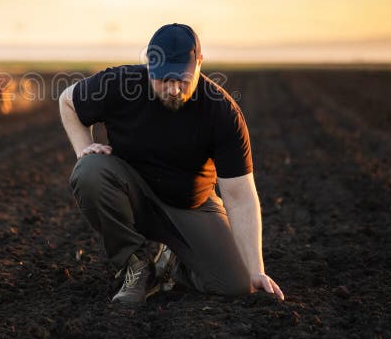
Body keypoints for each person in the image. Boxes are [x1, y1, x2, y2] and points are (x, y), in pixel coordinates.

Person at [59, 23, 284, 305]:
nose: (174, 89)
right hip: (133, 194)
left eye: (182, 79)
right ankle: (136, 266)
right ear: (149, 68)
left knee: (236, 286)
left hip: (191, 205)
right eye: (164, 79)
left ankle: (175, 265)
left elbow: (240, 197)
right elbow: (67, 101)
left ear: (199, 65)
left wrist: (256, 270)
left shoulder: (221, 112)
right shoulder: (119, 84)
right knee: (89, 170)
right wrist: (84, 148)